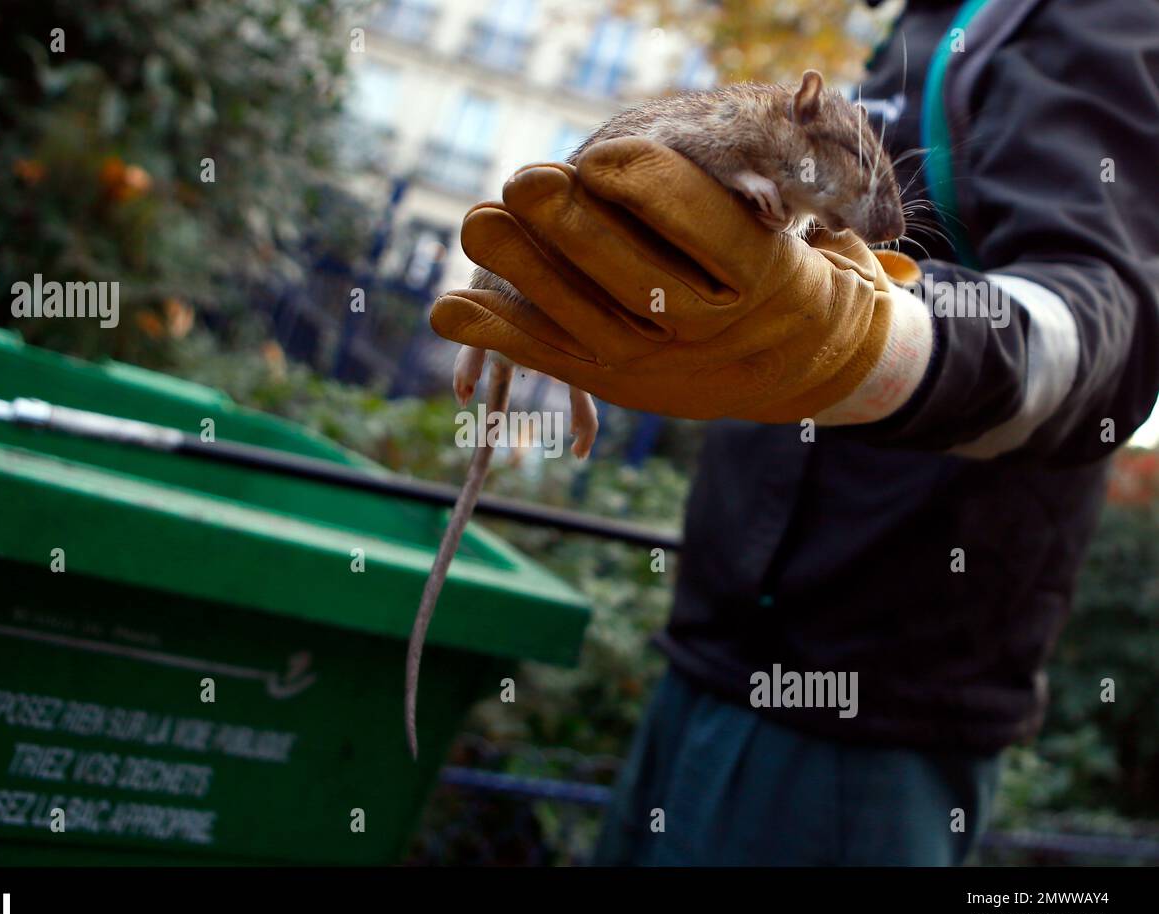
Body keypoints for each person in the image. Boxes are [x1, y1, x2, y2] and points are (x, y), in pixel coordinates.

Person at [428, 0, 1159, 865]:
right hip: (709, 653)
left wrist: (868, 349)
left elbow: (1107, 345)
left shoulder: (1091, 21)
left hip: (872, 707)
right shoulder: (910, 28)